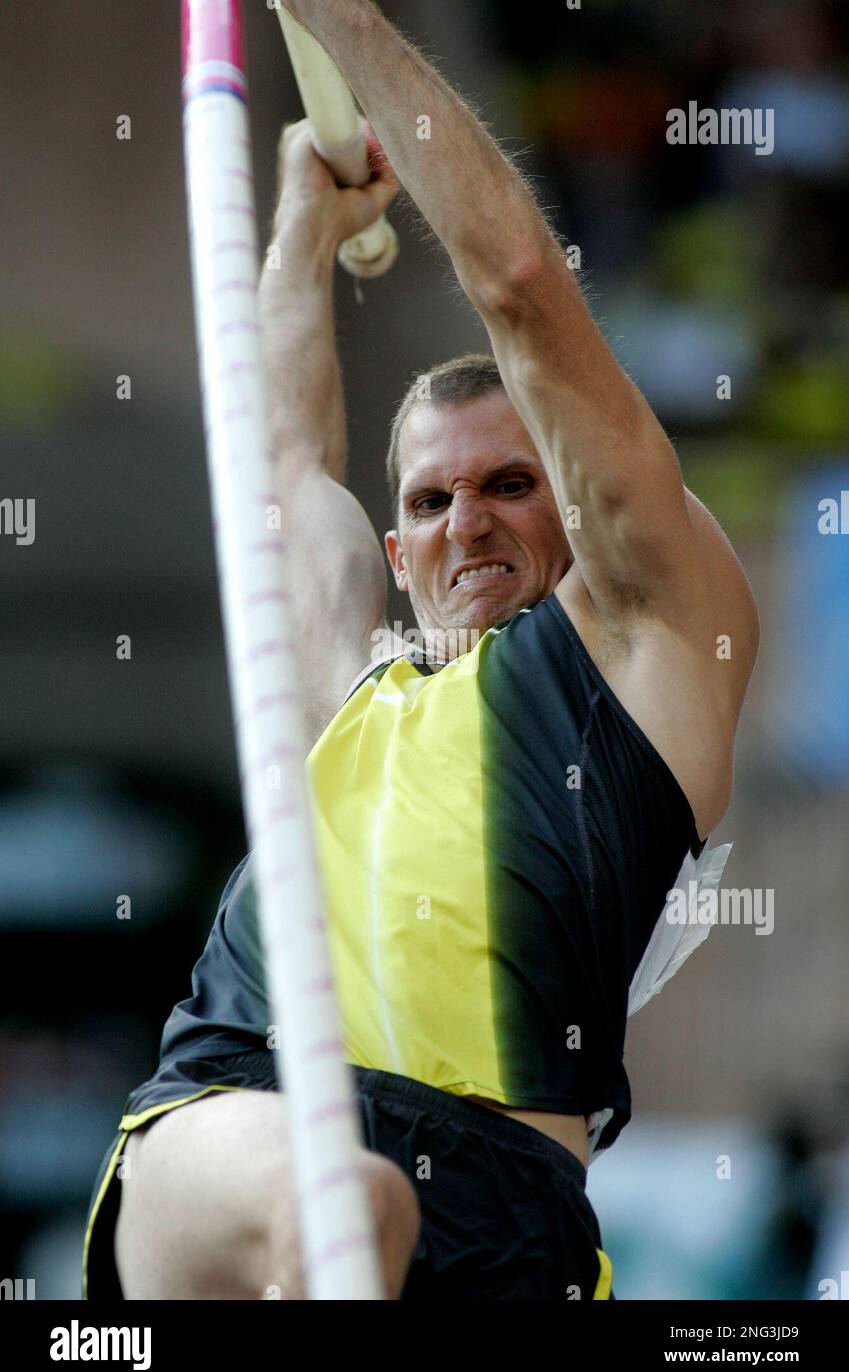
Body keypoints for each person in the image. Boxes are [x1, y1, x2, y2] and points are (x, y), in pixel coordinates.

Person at [83, 1, 759, 1301]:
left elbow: (518, 286)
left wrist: (344, 20)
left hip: (509, 1217)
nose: (469, 522)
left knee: (376, 1214)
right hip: (238, 1124)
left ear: (574, 506)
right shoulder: (353, 685)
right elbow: (277, 465)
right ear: (395, 550)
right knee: (351, 1197)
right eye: (432, 501)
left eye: (509, 482)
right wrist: (304, 221)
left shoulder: (647, 650)